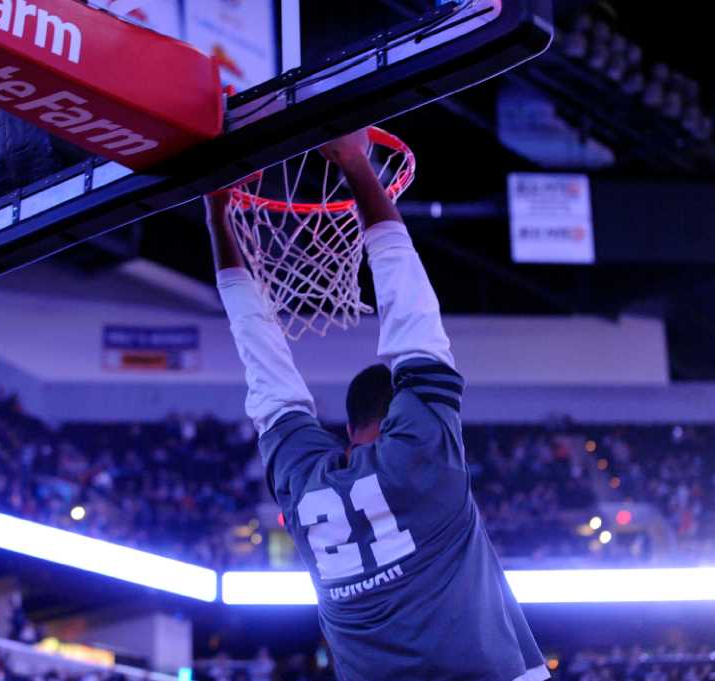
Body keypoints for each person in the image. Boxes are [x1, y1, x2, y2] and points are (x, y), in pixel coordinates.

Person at [205, 130, 548, 681]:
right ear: (396, 419)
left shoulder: (338, 479)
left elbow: (411, 325)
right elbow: (264, 364)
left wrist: (354, 165)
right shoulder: (408, 464)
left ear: (349, 427)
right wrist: (220, 214)